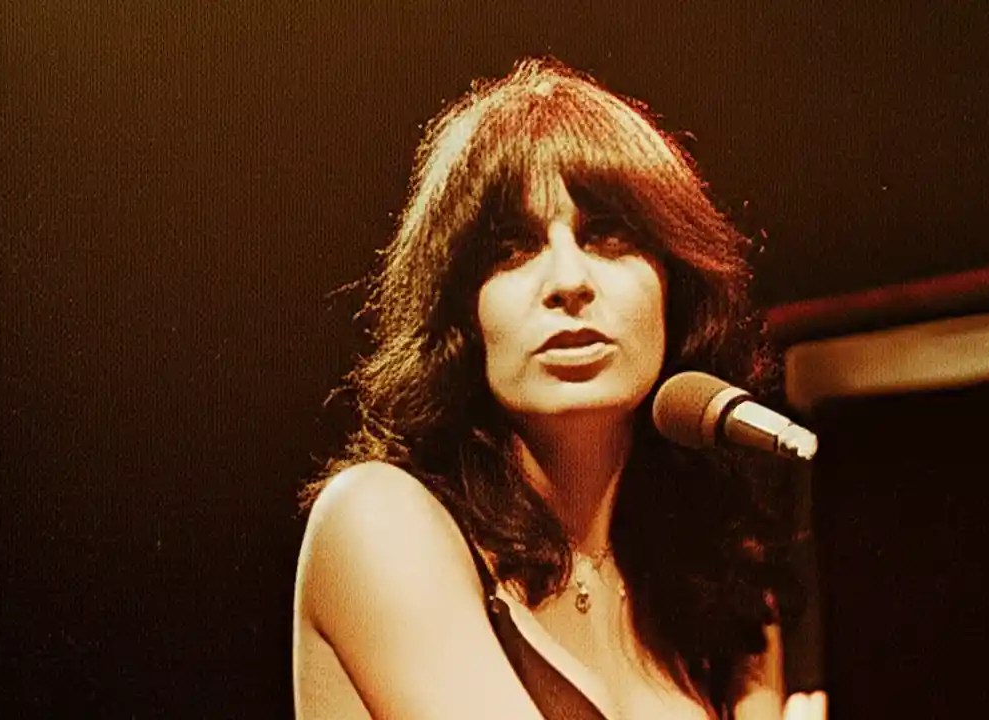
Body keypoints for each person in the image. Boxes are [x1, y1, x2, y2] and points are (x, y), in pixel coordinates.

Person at [293, 57, 825, 719]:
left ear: (674, 284)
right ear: (462, 315)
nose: (568, 281)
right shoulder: (377, 521)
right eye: (511, 249)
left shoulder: (724, 594)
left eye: (608, 236)